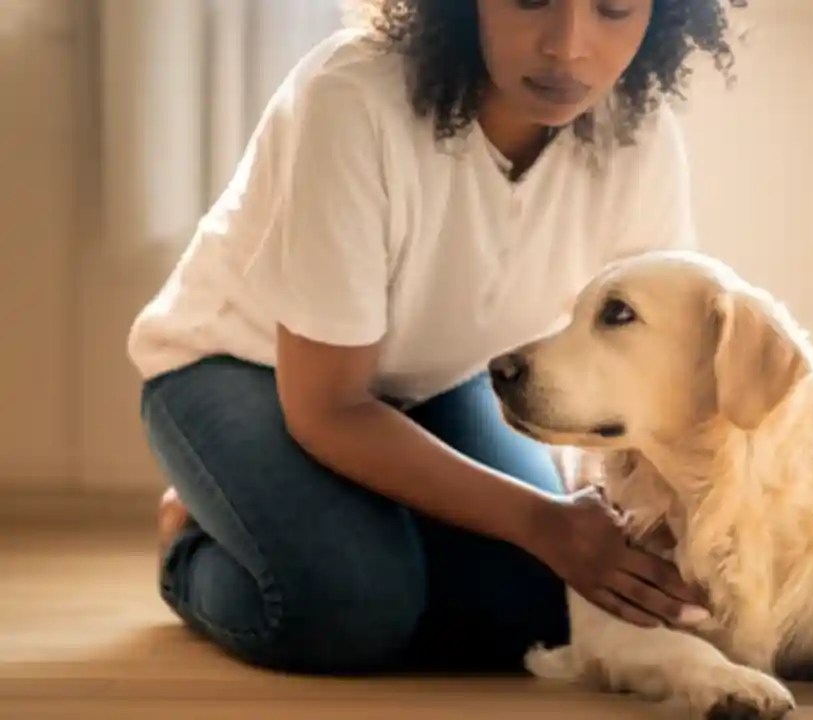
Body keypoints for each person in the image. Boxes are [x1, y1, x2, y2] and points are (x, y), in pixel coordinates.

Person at [128, 0, 773, 675]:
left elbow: (654, 367)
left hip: (431, 382)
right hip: (239, 369)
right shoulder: (352, 101)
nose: (568, 46)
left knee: (539, 609)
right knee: (352, 610)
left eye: (613, 8)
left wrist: (801, 448)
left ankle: (332, 527)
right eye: (531, 0)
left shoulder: (637, 129)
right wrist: (542, 521)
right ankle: (189, 543)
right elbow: (329, 408)